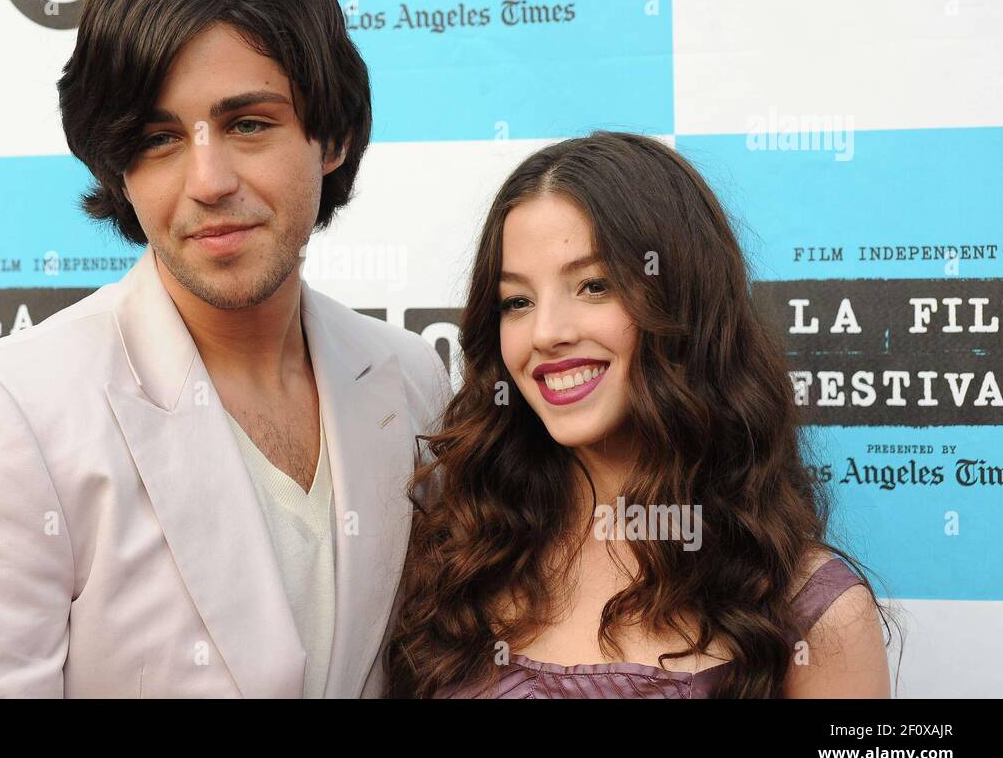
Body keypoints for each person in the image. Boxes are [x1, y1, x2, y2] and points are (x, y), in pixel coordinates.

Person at [0, 0, 451, 698]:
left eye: (247, 123)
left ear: (331, 135)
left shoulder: (411, 379)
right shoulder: (1, 417)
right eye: (160, 138)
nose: (208, 180)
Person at [384, 131, 899, 699]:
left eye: (594, 286)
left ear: (684, 300)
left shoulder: (810, 608)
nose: (548, 333)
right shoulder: (454, 559)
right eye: (518, 302)